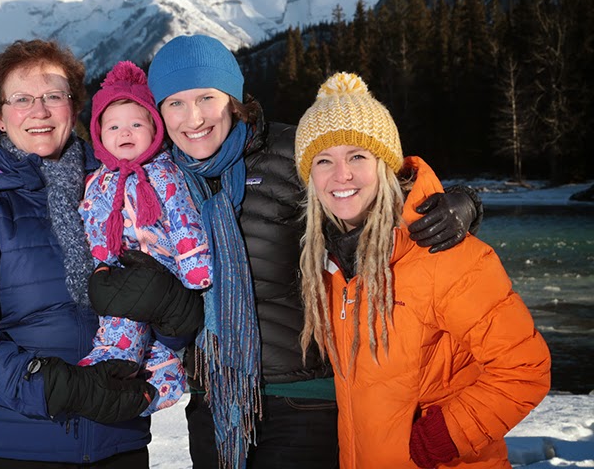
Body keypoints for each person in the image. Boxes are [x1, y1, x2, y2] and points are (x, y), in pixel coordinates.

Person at [88, 34, 482, 469]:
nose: (193, 117)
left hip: (303, 401)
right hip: (214, 404)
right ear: (158, 113)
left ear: (233, 98)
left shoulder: (292, 151)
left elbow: (378, 186)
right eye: (175, 103)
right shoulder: (153, 178)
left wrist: (459, 202)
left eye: (206, 98)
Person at [294, 72, 551, 468]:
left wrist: (442, 437)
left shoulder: (443, 253)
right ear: (310, 177)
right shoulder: (329, 267)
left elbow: (525, 369)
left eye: (357, 156)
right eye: (324, 160)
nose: (341, 174)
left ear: (385, 165)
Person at [0, 40, 155, 468]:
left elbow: (160, 308)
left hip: (119, 439)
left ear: (75, 107)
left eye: (53, 96)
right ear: (0, 116)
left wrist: (173, 309)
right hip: (18, 444)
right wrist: (55, 388)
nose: (40, 111)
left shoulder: (118, 188)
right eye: (22, 99)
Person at [79, 61, 212, 416]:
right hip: (122, 272)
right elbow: (93, 223)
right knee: (121, 320)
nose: (125, 132)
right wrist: (100, 268)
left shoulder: (164, 174)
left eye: (136, 124)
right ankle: (139, 370)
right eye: (113, 126)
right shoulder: (98, 181)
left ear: (154, 128)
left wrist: (195, 264)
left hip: (166, 269)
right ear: (99, 134)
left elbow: (183, 218)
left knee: (141, 324)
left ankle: (131, 367)